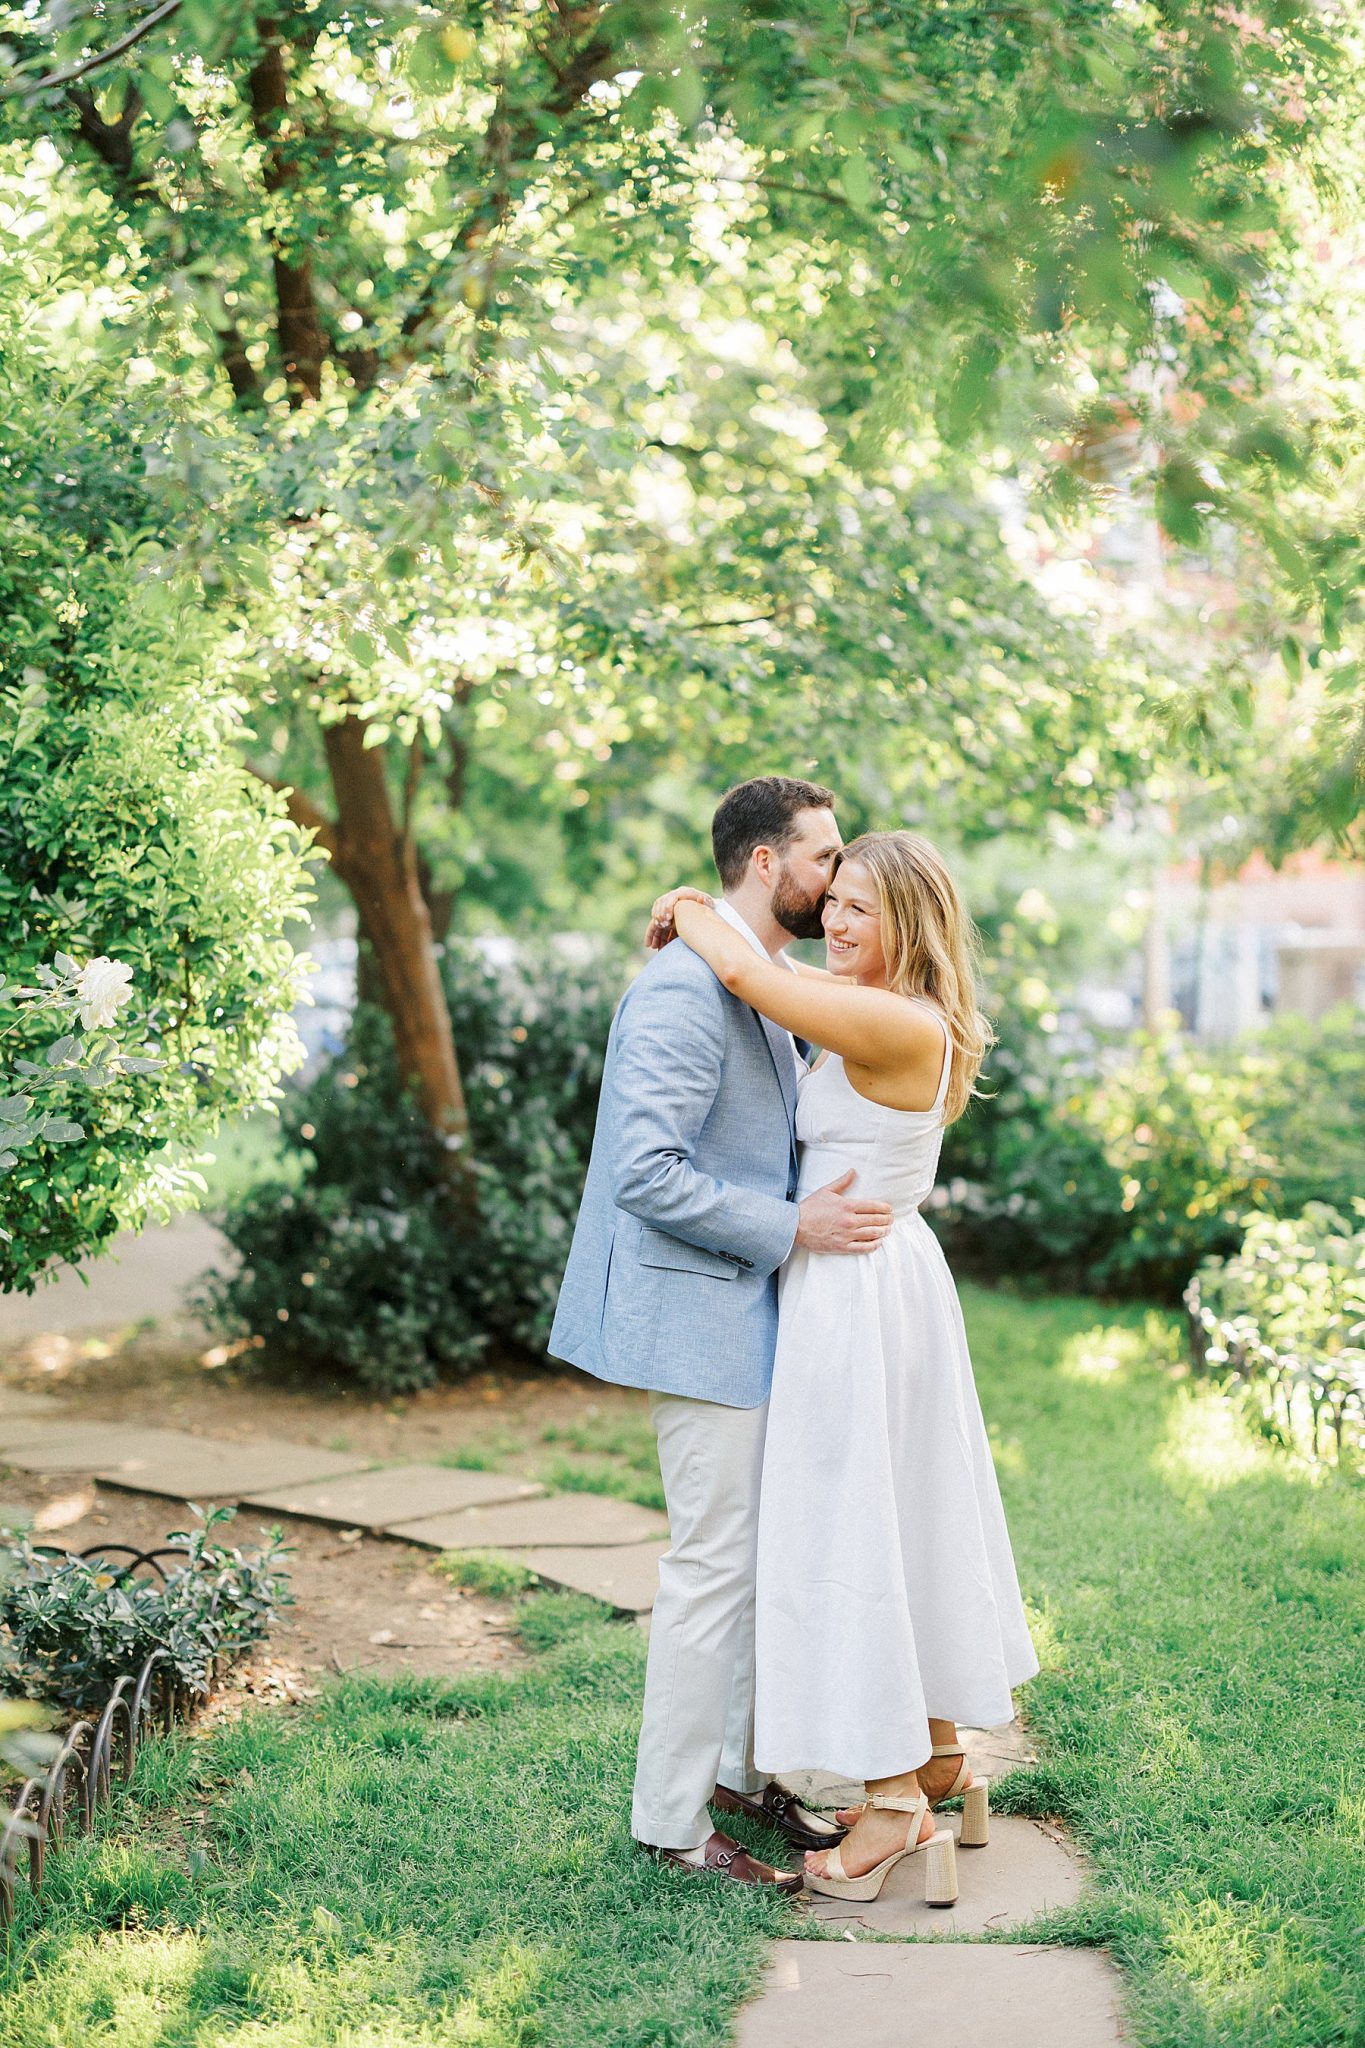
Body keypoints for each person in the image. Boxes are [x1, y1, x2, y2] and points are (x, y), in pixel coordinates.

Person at [649, 830, 1039, 1906]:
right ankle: (940, 1753)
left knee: (847, 1523)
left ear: (910, 921)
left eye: (860, 906)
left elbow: (745, 973)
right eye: (835, 901)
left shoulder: (889, 1016)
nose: (835, 920)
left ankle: (891, 1800)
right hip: (875, 1275)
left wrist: (690, 904)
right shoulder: (899, 1012)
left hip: (858, 1290)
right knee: (897, 1511)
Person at [549, 776, 895, 1892]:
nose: (838, 876)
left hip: (751, 1315)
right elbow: (647, 1172)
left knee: (752, 1561)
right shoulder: (683, 992)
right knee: (709, 1569)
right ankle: (668, 1821)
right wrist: (792, 1224)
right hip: (696, 1318)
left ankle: (743, 1777)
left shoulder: (760, 977)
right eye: (824, 855)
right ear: (763, 862)